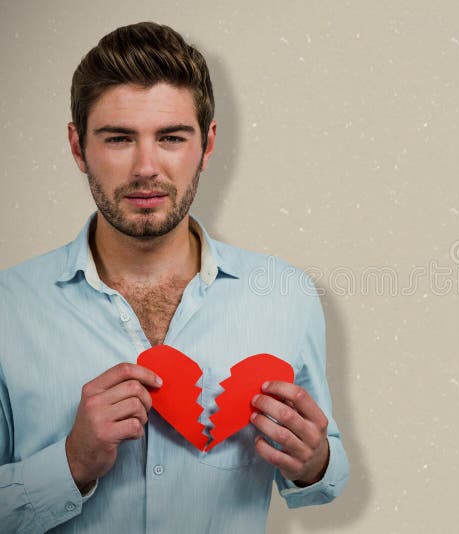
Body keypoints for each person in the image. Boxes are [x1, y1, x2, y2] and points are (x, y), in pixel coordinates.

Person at [0, 21, 348, 532]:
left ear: (206, 145)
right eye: (119, 138)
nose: (146, 167)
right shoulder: (8, 309)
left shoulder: (287, 296)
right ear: (78, 147)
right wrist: (70, 465)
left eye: (170, 137)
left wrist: (314, 460)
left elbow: (327, 474)